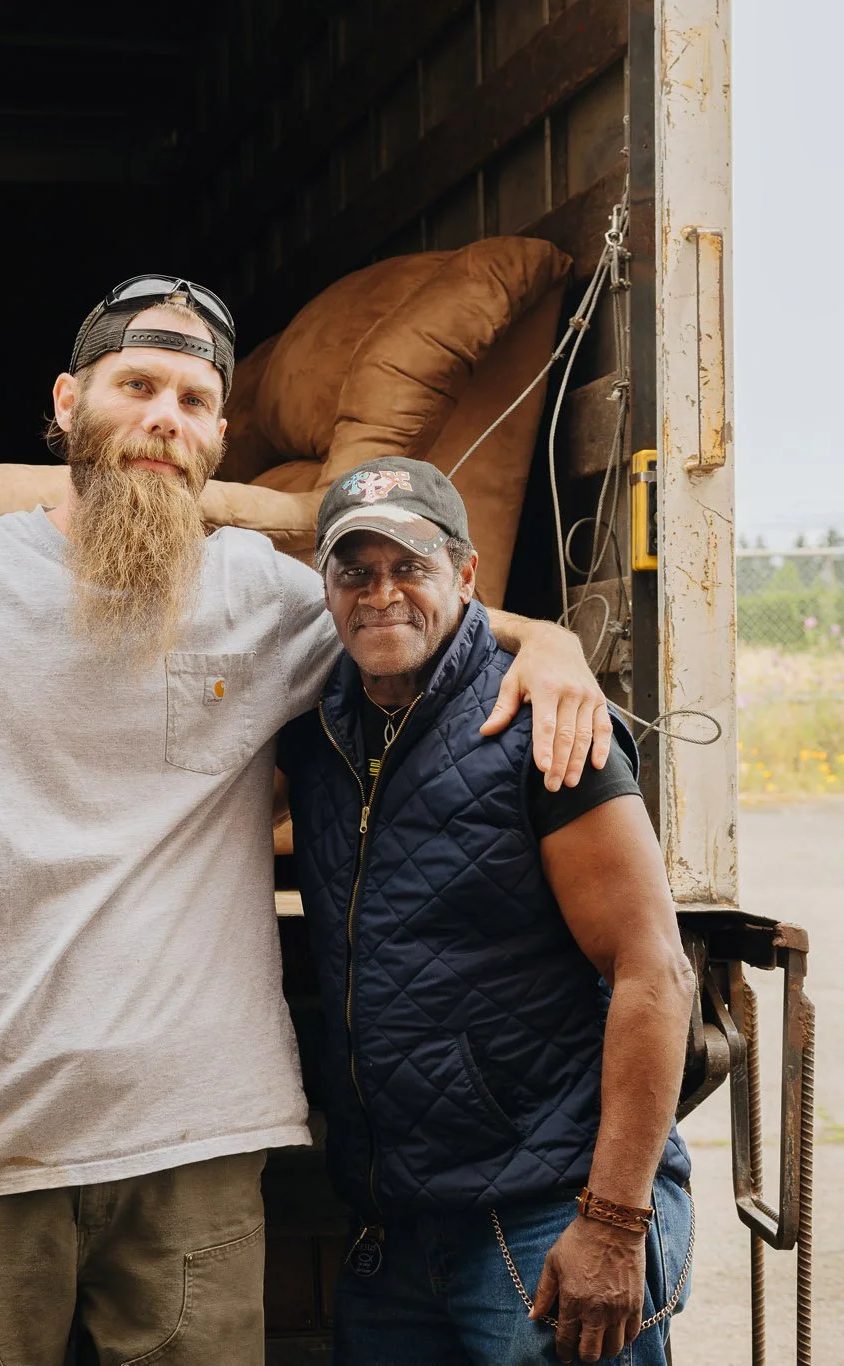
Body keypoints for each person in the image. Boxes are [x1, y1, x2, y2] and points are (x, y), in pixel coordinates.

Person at [0, 277, 613, 1363]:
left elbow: (412, 613)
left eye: (194, 398)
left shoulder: (256, 592)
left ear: (218, 435)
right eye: (137, 386)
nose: (165, 416)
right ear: (69, 403)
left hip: (196, 1135)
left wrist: (545, 638)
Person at [277, 456, 696, 1364]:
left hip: (548, 1219)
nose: (382, 593)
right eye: (356, 570)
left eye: (411, 567)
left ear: (466, 576)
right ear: (326, 587)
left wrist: (616, 1225)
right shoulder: (319, 730)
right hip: (394, 1232)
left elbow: (654, 972)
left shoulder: (551, 731)